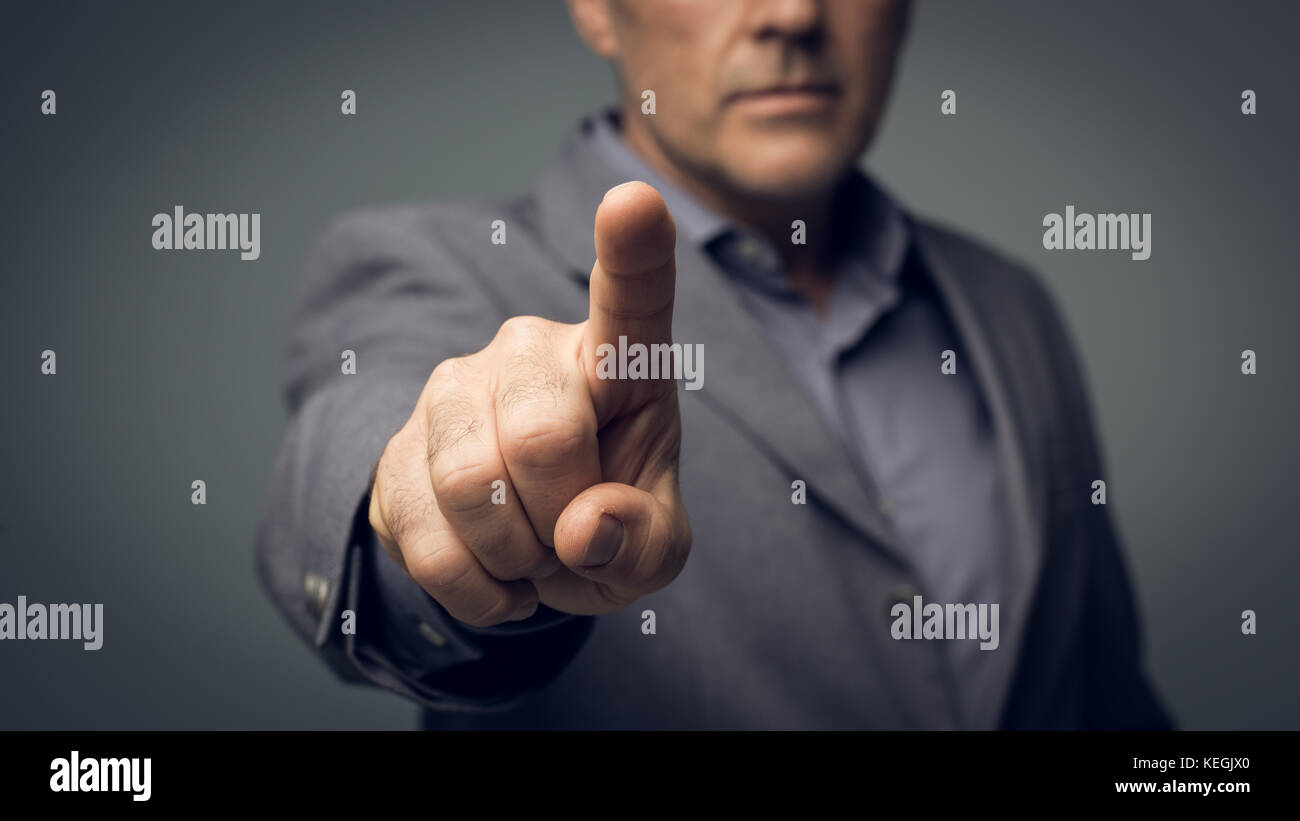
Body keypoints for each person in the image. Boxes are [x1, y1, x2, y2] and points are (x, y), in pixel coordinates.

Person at [256, 0, 1172, 729]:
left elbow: (1105, 697)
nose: (792, 14)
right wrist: (436, 507)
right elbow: (363, 446)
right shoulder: (431, 263)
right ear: (598, 9)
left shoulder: (1009, 305)